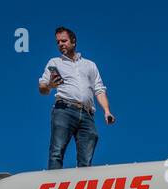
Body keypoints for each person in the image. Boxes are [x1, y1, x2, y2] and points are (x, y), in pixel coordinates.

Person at [39, 25, 115, 169]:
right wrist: (50, 85)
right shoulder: (54, 62)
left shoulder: (90, 65)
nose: (60, 44)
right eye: (58, 42)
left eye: (64, 41)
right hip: (64, 109)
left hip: (87, 114)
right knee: (57, 151)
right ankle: (53, 186)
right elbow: (42, 88)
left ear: (73, 41)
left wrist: (106, 111)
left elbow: (99, 89)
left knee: (86, 159)